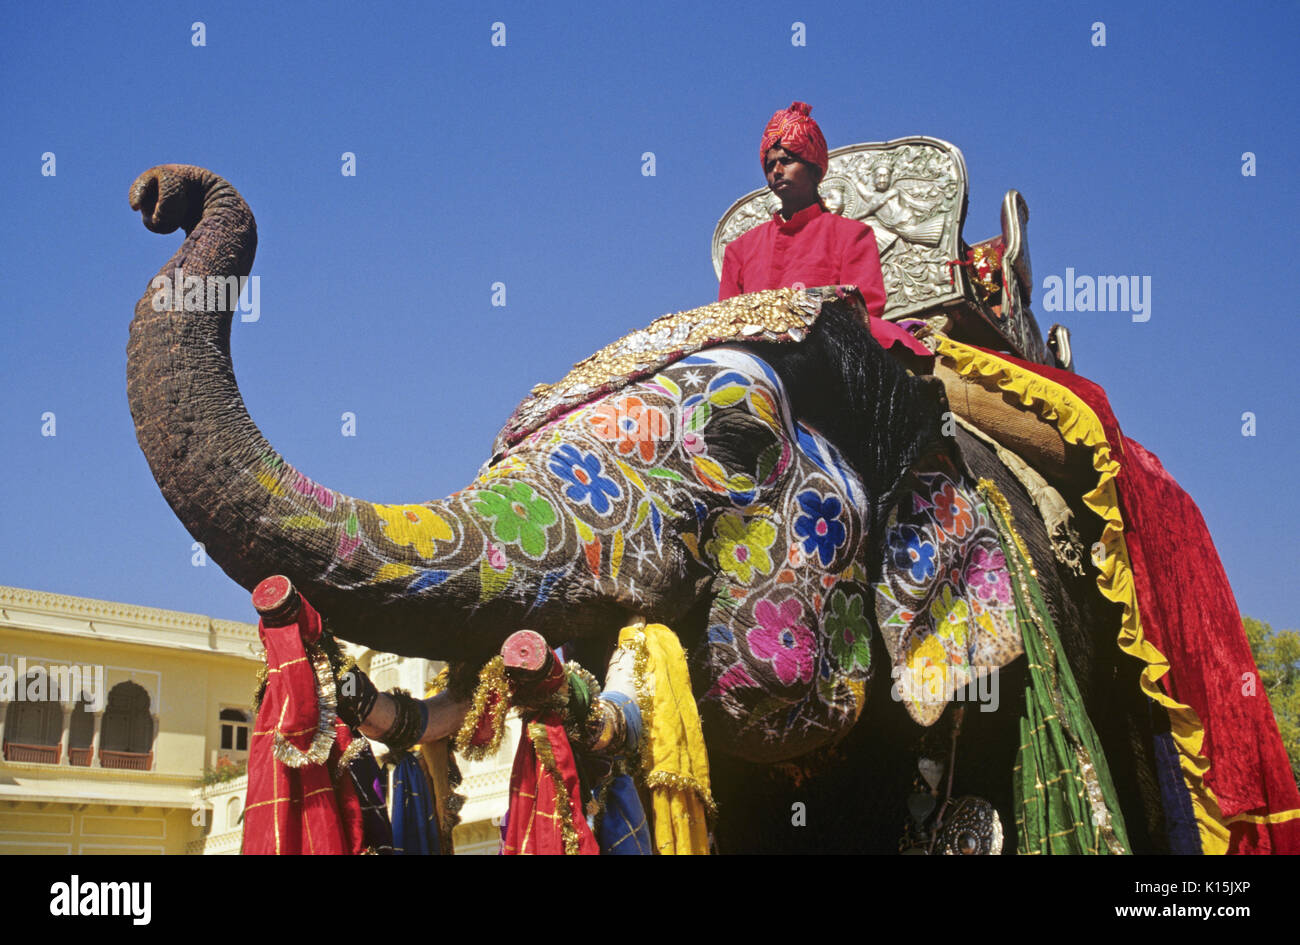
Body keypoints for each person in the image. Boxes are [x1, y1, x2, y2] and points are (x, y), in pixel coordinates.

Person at [718, 102, 932, 361]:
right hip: (755, 354)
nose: (776, 171)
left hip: (831, 349)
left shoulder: (853, 235)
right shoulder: (739, 250)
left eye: (787, 161)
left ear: (813, 168)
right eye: (769, 165)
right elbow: (726, 322)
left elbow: (866, 309)